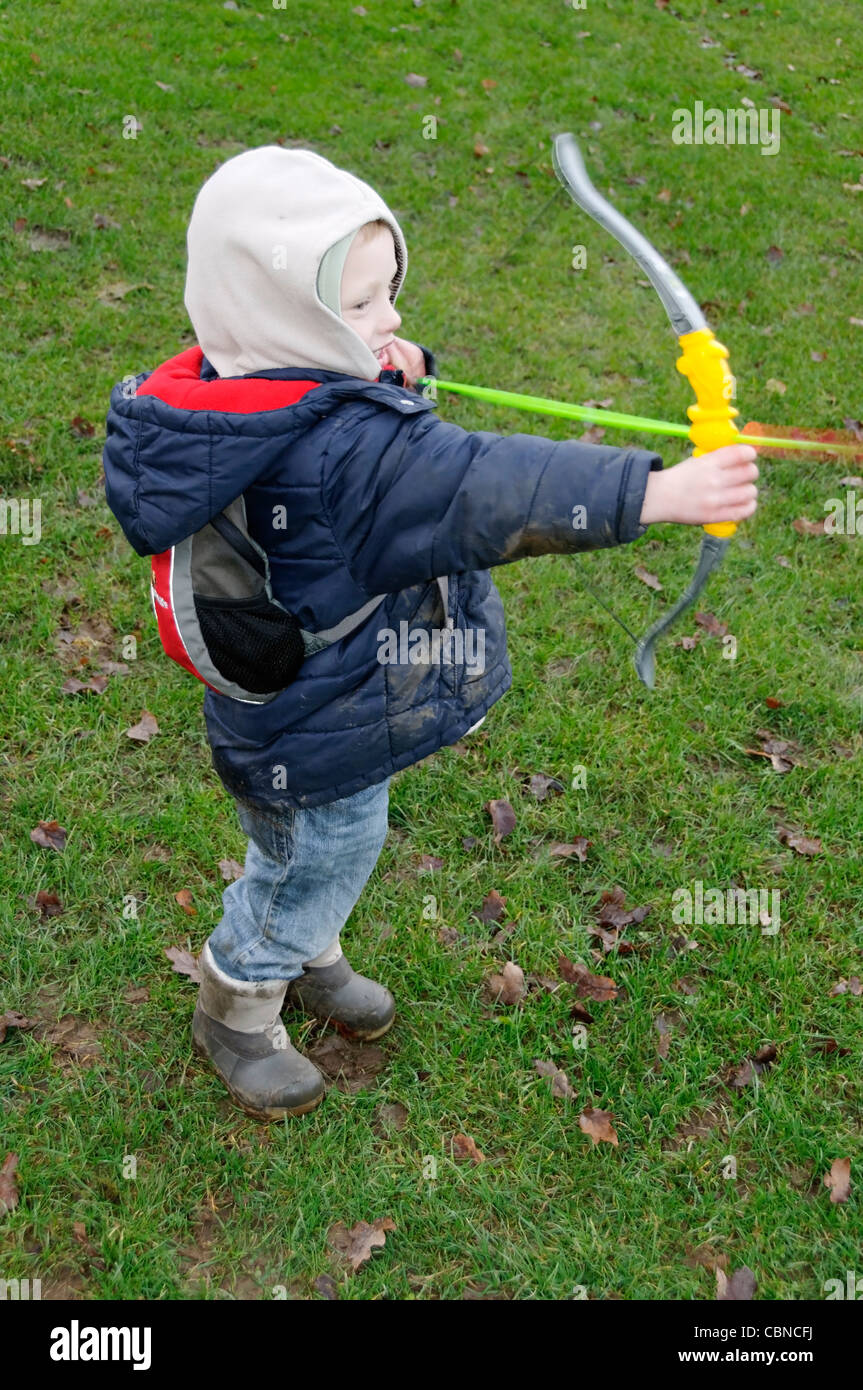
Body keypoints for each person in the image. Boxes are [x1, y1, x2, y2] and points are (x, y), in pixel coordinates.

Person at [102, 146, 758, 1122]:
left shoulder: (228, 385)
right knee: (317, 853)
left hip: (290, 705)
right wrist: (659, 492)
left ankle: (304, 946)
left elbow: (363, 441)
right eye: (361, 306)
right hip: (316, 724)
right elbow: (478, 485)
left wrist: (379, 373)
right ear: (289, 319)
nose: (390, 321)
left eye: (388, 295)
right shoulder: (348, 454)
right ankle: (240, 1000)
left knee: (308, 854)